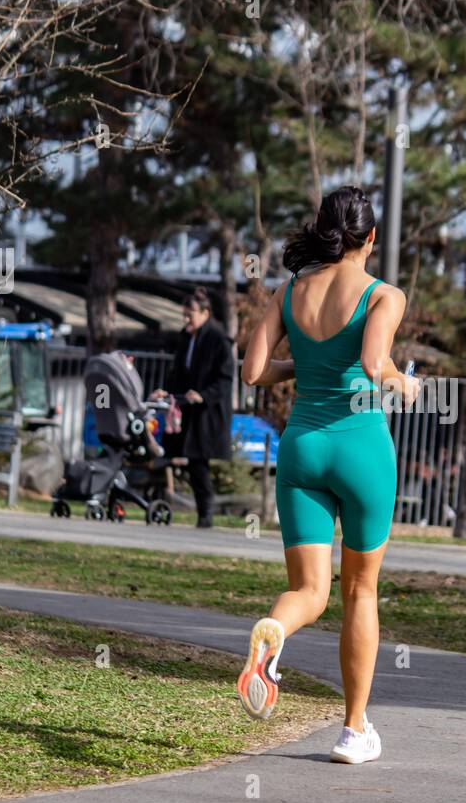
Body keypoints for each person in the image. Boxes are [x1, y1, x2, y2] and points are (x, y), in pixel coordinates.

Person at [236, 185, 418, 764]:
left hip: (300, 450)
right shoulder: (385, 294)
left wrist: (306, 366)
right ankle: (353, 730)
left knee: (308, 592)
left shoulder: (291, 290)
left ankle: (274, 633)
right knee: (361, 591)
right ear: (370, 238)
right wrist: (404, 383)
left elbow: (255, 371)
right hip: (360, 450)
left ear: (324, 231)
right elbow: (371, 362)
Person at [153, 288, 235, 528]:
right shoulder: (187, 338)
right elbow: (178, 373)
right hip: (187, 409)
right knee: (186, 459)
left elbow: (225, 379)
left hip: (207, 413)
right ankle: (192, 511)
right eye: (184, 315)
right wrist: (166, 392)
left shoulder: (218, 340)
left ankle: (205, 514)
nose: (186, 320)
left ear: (205, 313)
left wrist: (203, 396)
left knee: (199, 461)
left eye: (190, 315)